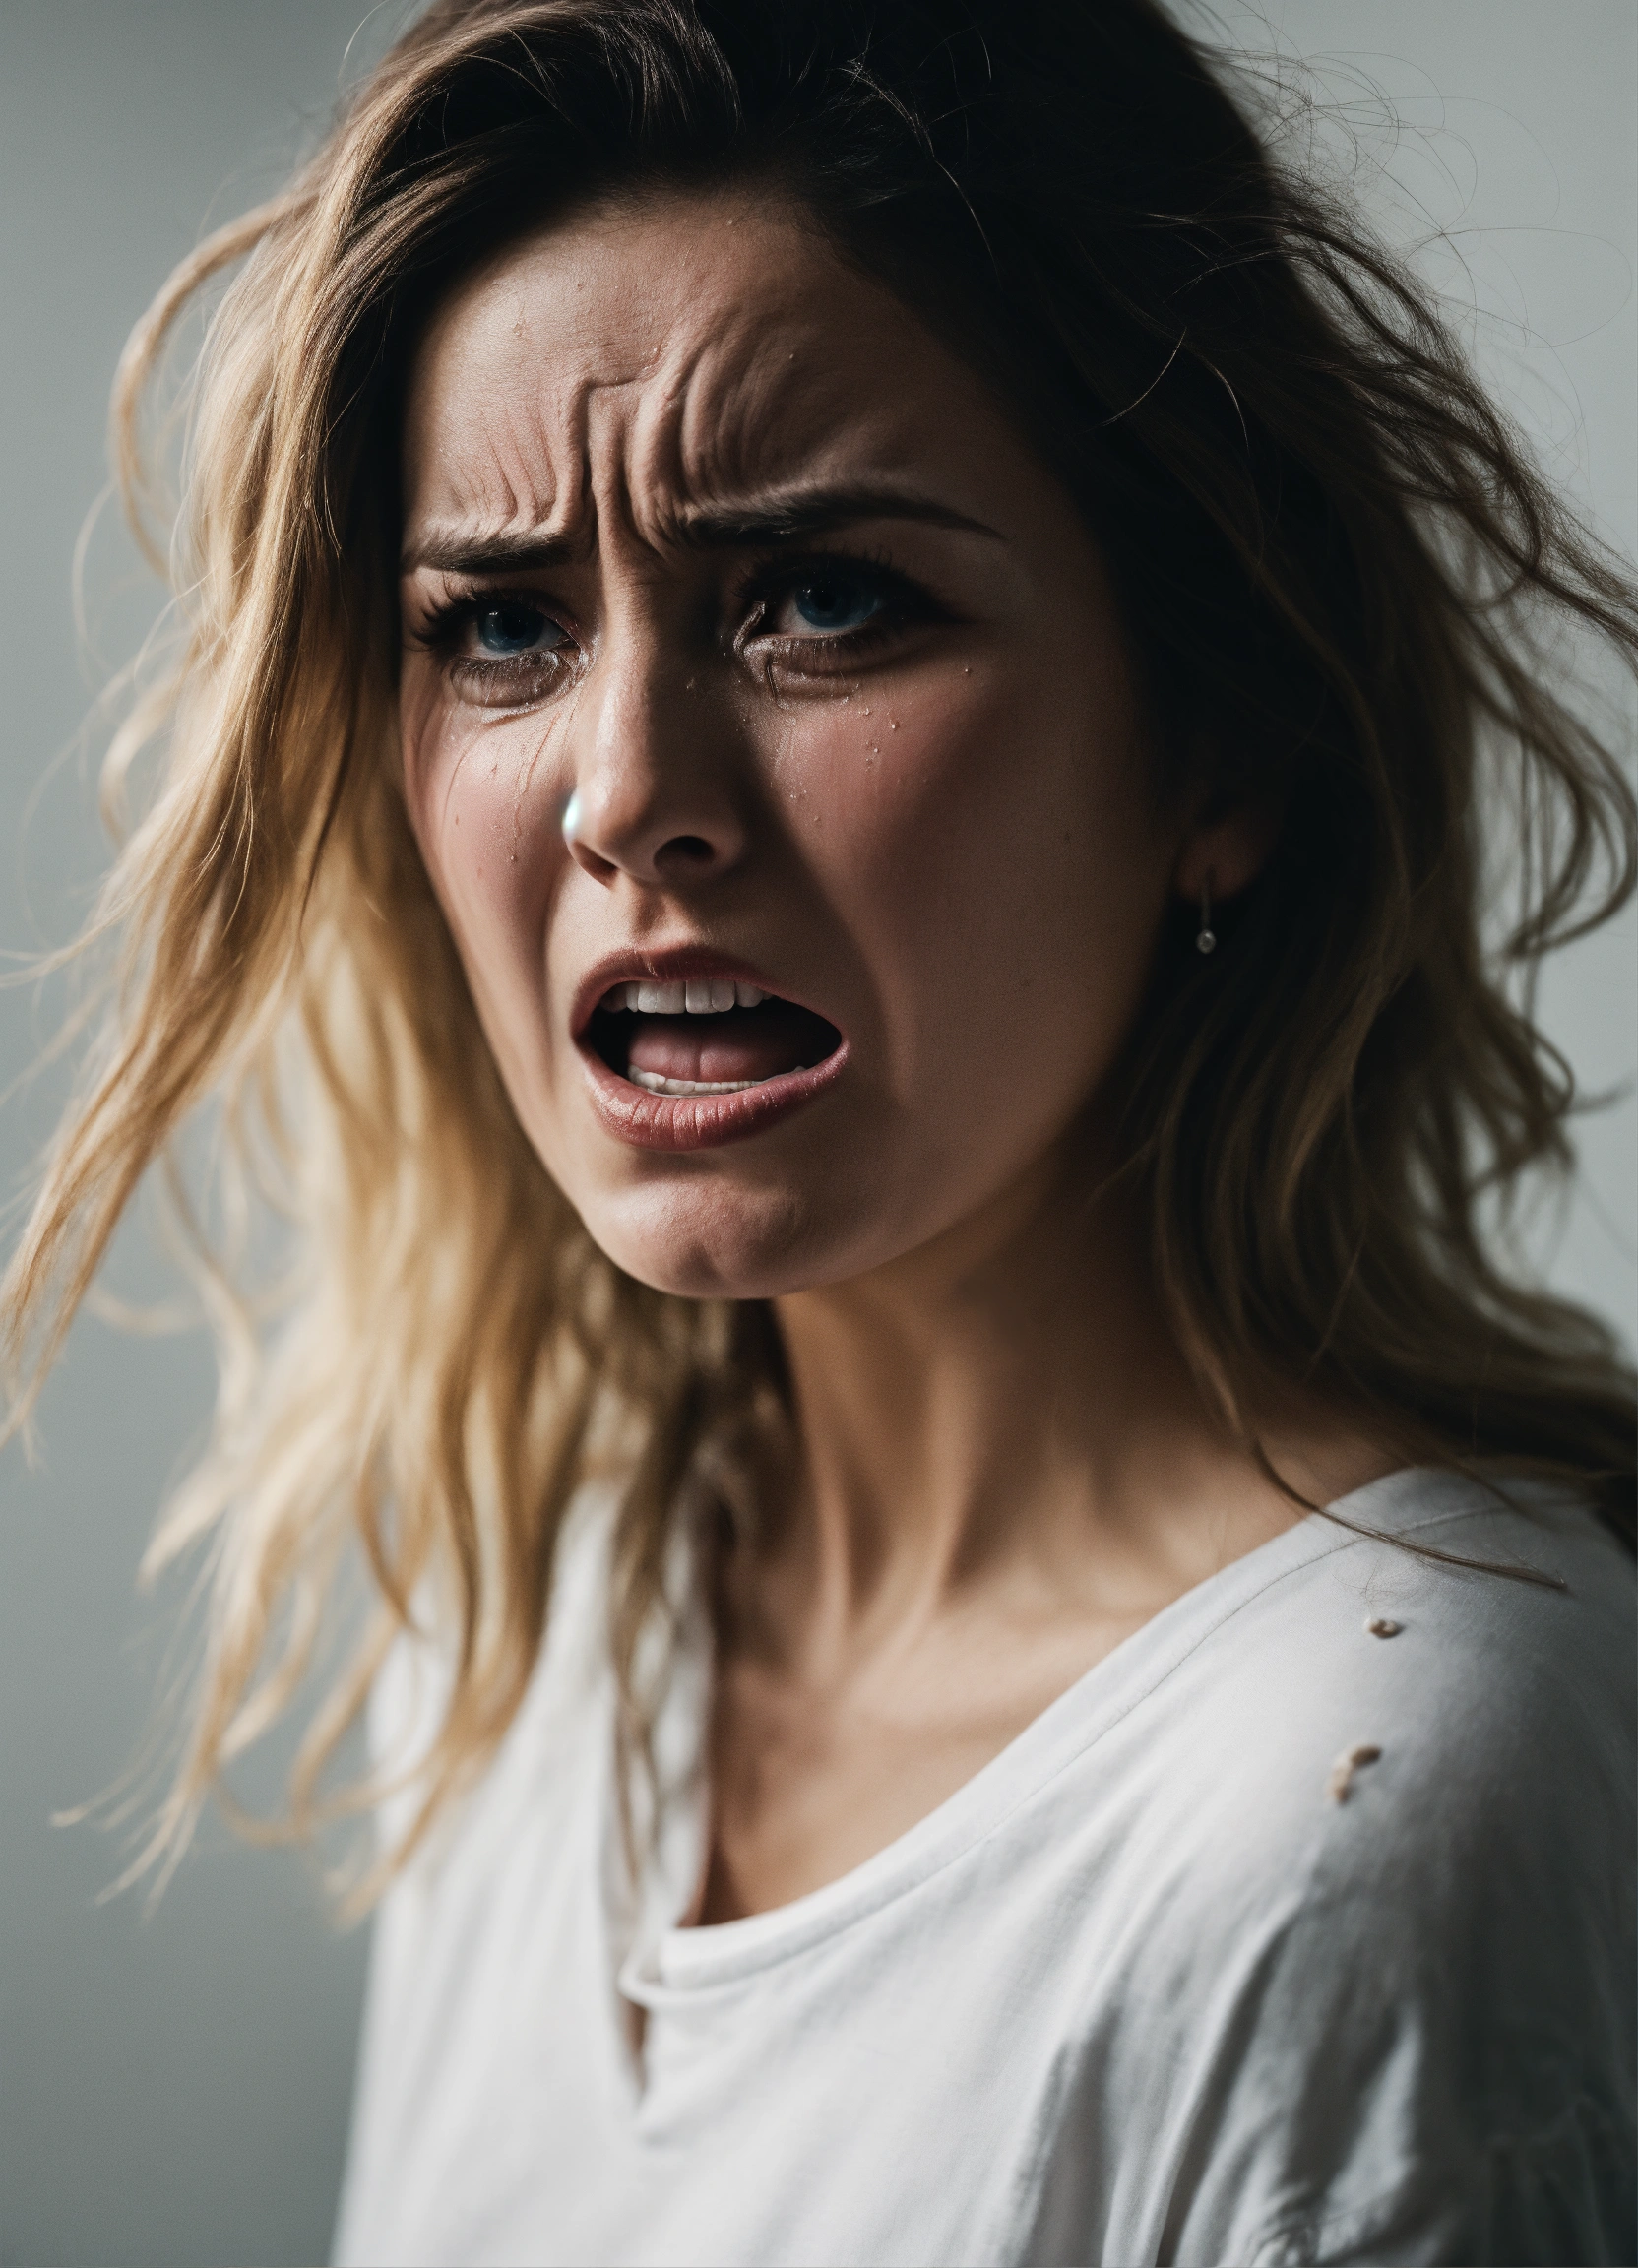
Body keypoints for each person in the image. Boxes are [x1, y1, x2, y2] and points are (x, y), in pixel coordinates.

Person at [3, 1, 1634, 2261]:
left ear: (1225, 738)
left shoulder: (1371, 1794)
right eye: (495, 625)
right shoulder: (556, 1622)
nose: (621, 793)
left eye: (821, 598)